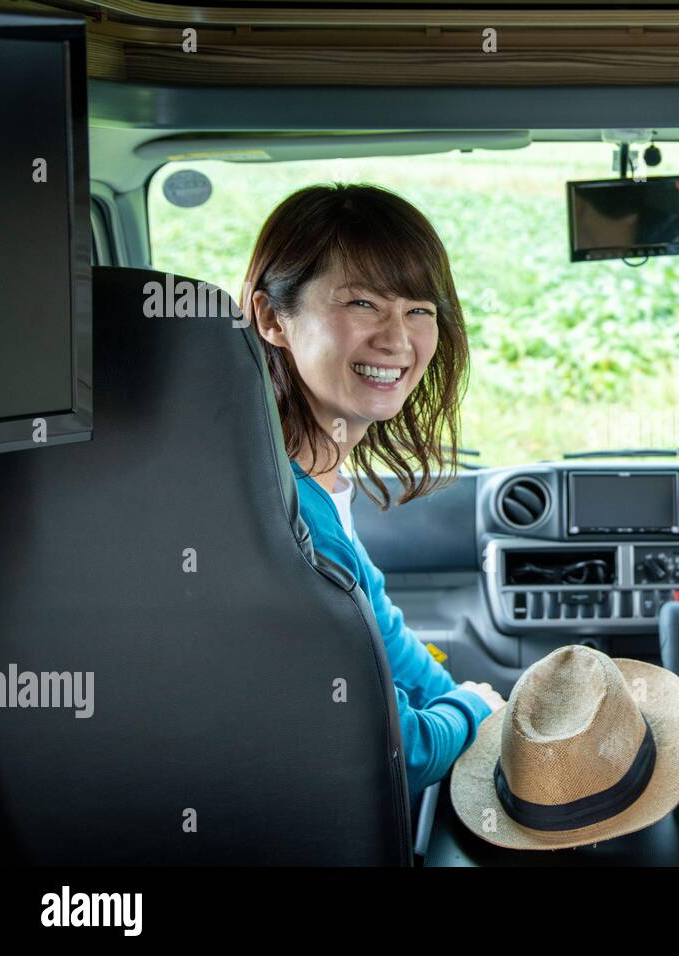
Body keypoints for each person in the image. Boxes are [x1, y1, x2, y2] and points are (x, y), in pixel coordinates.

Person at [240, 183, 505, 810]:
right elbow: (394, 752)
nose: (398, 339)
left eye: (419, 310)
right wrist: (472, 710)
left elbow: (388, 645)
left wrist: (469, 702)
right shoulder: (290, 517)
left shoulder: (312, 487)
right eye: (363, 303)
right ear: (272, 318)